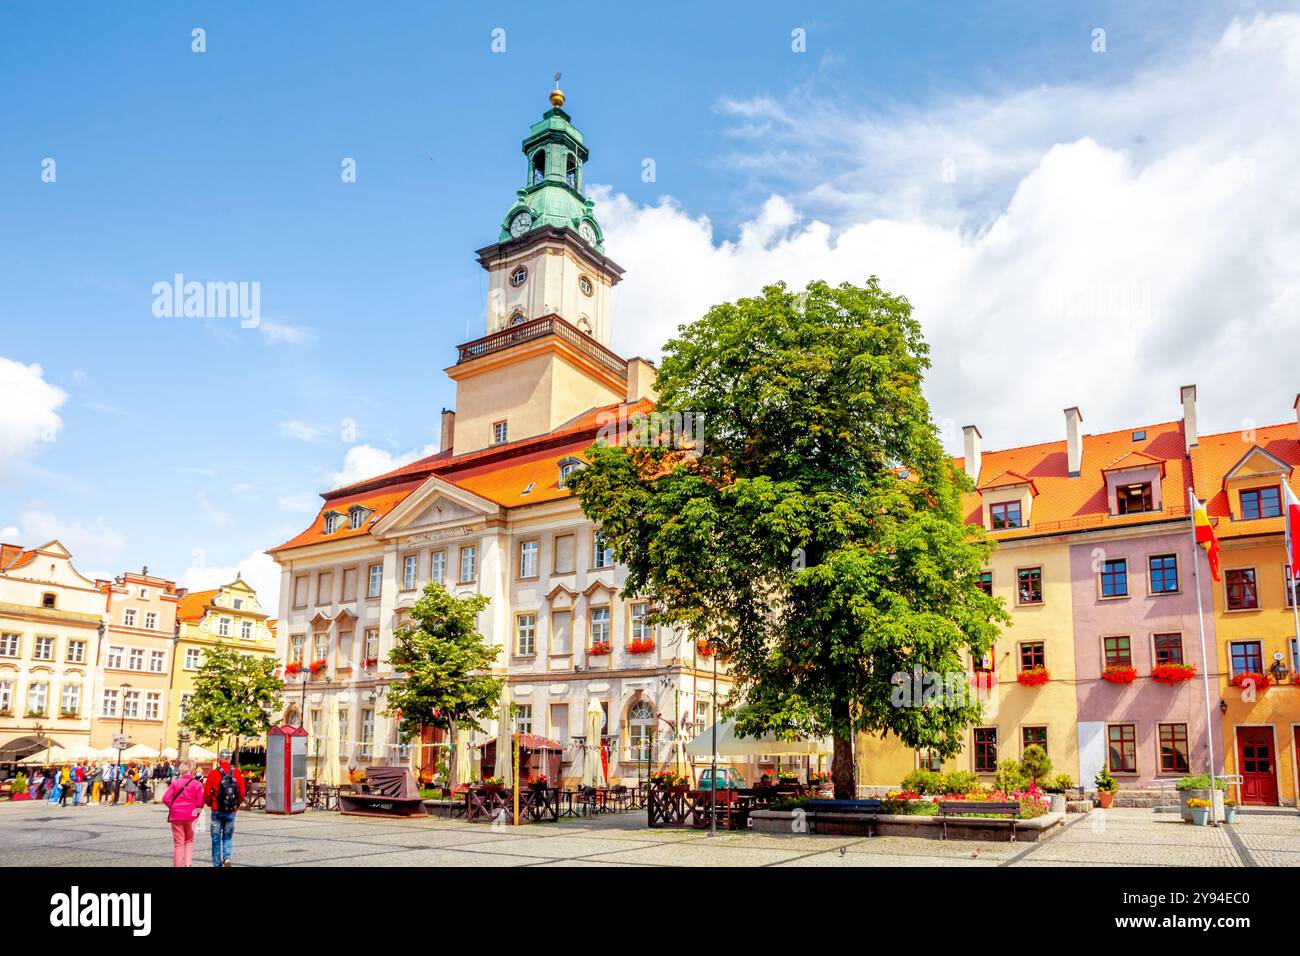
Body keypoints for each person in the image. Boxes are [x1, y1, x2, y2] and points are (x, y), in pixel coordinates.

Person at [202, 750, 245, 868]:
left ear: (219, 759)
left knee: (216, 838)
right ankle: (227, 857)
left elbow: (206, 793)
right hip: (231, 810)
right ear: (230, 759)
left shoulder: (213, 773)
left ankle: (217, 864)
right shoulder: (236, 772)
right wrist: (236, 804)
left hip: (217, 809)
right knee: (228, 836)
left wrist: (210, 803)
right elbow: (242, 792)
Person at [161, 759, 205, 867]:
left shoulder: (175, 782)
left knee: (178, 843)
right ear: (193, 770)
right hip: (191, 816)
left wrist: (173, 807)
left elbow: (165, 798)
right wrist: (197, 814)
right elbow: (200, 803)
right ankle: (188, 863)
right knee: (189, 841)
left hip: (176, 816)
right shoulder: (197, 784)